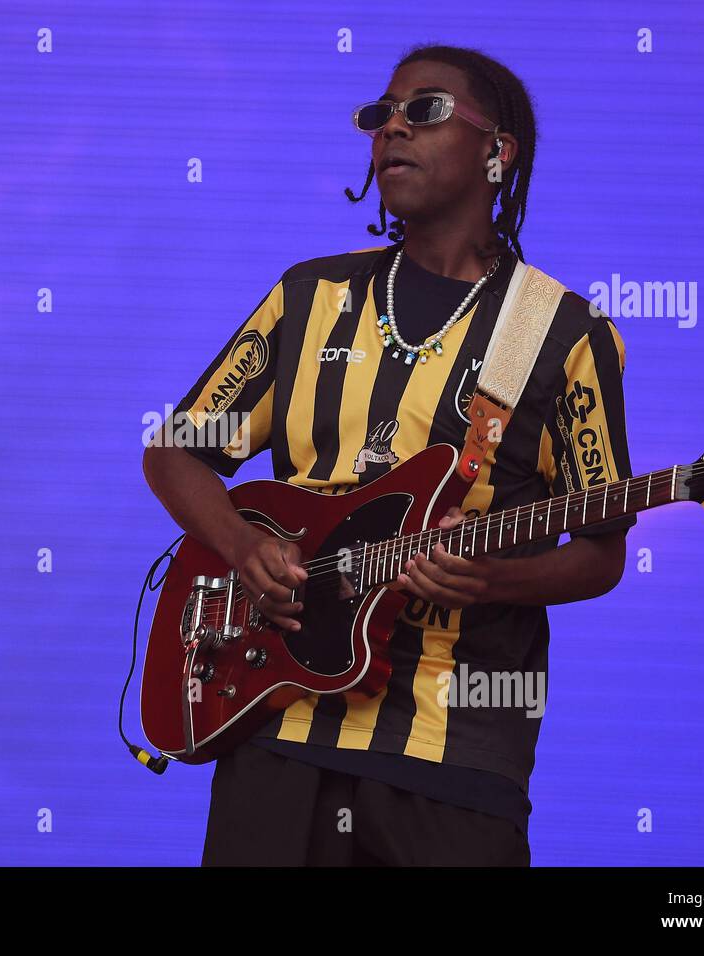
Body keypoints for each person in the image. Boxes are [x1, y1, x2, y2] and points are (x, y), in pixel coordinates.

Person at [142, 44, 635, 866]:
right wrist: (243, 546)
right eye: (380, 115)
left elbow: (600, 551)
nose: (392, 127)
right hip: (276, 722)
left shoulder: (561, 335)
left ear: (497, 151)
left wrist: (495, 579)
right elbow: (176, 453)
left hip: (455, 752)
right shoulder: (309, 298)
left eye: (426, 110)